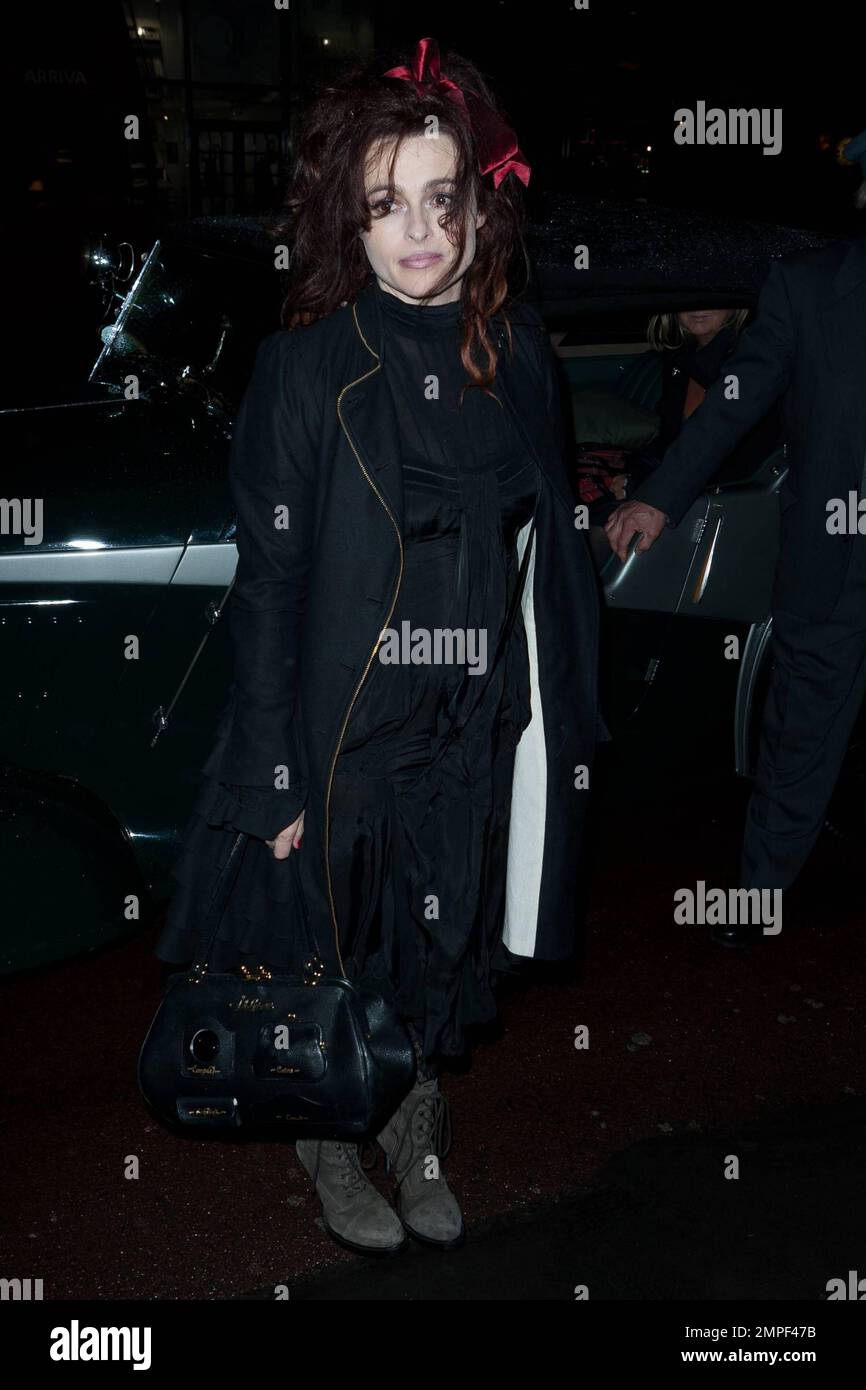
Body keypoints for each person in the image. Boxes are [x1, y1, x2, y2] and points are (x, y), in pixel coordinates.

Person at [155, 37, 603, 1254]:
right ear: (347, 221)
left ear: (475, 210)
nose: (417, 230)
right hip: (340, 730)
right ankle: (325, 1142)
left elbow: (544, 569)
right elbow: (268, 589)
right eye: (385, 204)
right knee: (330, 952)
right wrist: (273, 773)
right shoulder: (305, 370)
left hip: (466, 728)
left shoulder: (514, 357)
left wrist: (549, 728)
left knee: (432, 946)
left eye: (439, 201)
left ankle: (412, 1130)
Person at [605, 128, 866, 946]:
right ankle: (759, 899)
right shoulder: (808, 286)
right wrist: (660, 497)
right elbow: (734, 404)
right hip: (834, 566)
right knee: (797, 738)